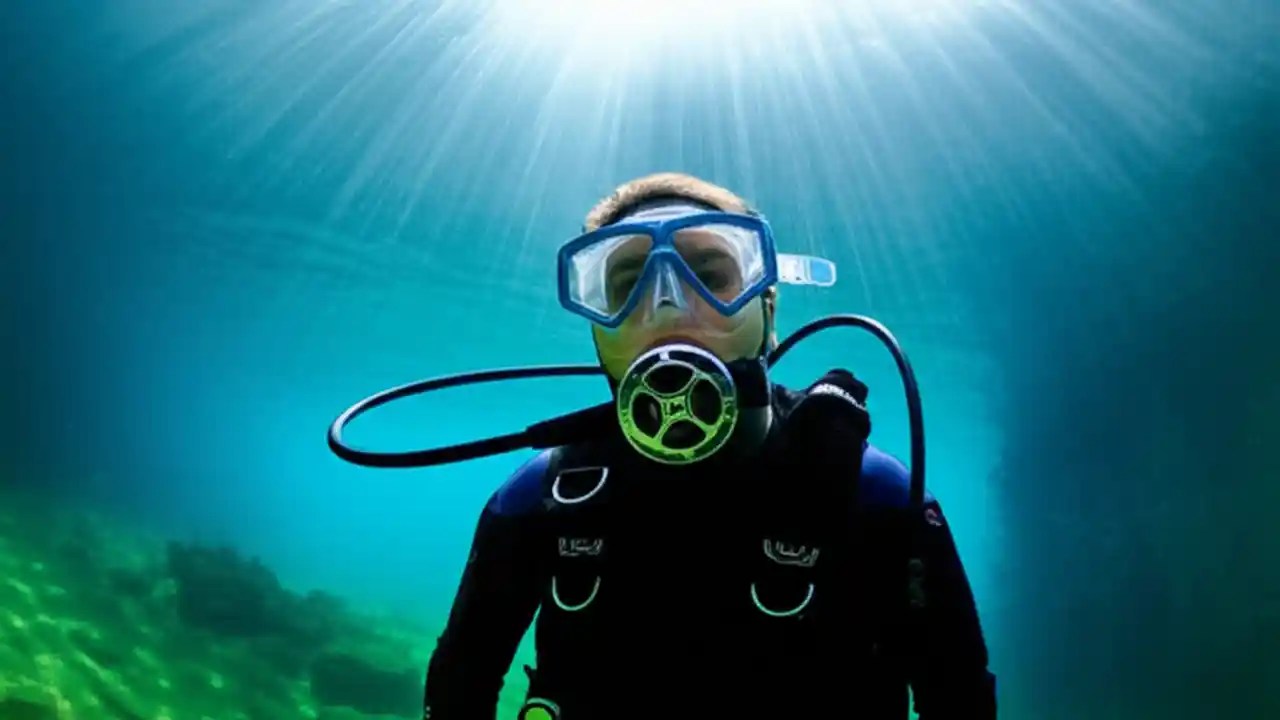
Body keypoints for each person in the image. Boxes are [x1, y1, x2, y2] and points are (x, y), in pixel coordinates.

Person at [422, 172, 996, 719]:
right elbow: (460, 682)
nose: (668, 303)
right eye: (627, 284)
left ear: (769, 310)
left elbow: (959, 695)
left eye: (711, 274)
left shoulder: (870, 497)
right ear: (597, 328)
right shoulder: (545, 497)